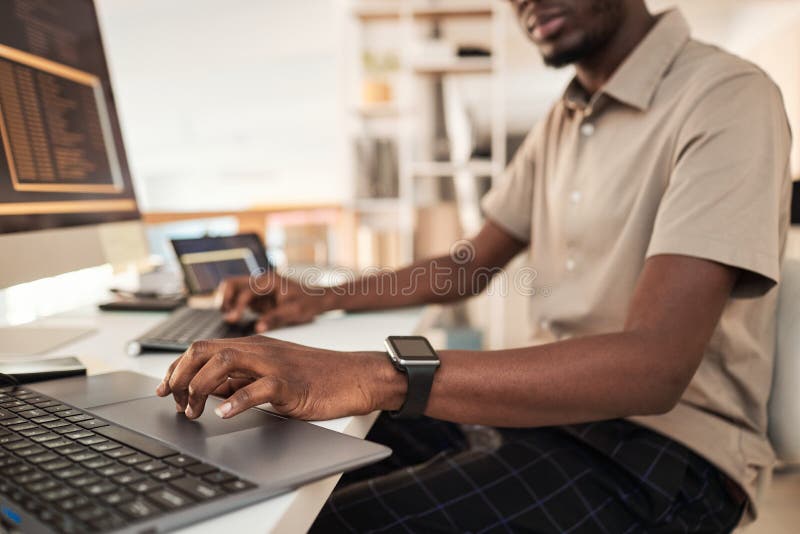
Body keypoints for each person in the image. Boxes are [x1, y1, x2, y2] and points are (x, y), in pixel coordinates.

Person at [156, 0, 792, 531]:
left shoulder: (726, 97)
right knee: (264, 463)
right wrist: (321, 297)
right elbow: (465, 266)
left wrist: (379, 373)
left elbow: (654, 367)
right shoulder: (564, 121)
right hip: (541, 417)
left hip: (663, 455)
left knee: (324, 522)